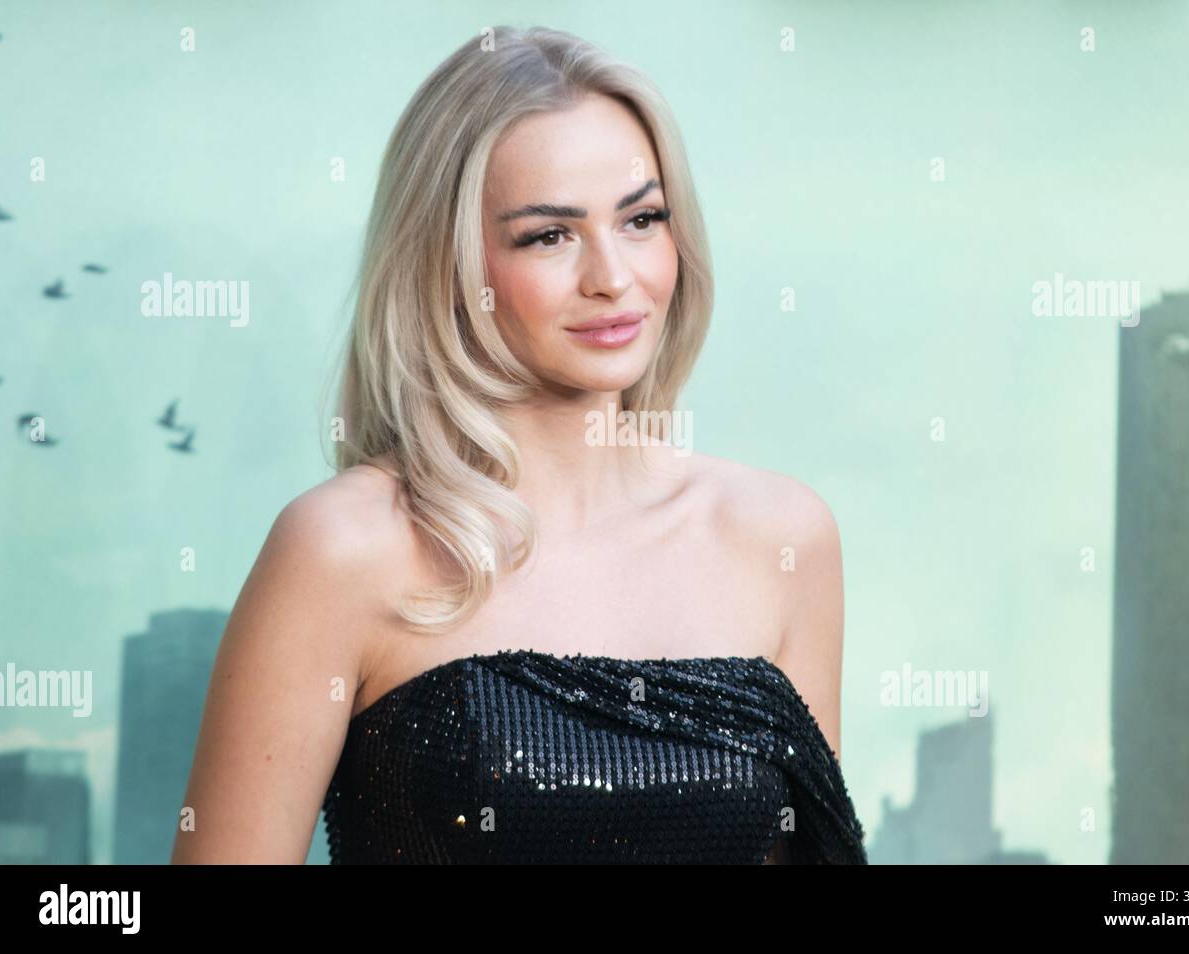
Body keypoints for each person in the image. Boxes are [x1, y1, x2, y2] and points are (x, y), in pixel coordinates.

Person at [171, 25, 867, 865]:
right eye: (550, 234)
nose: (614, 276)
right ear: (452, 265)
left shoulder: (782, 536)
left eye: (643, 218)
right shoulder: (340, 550)